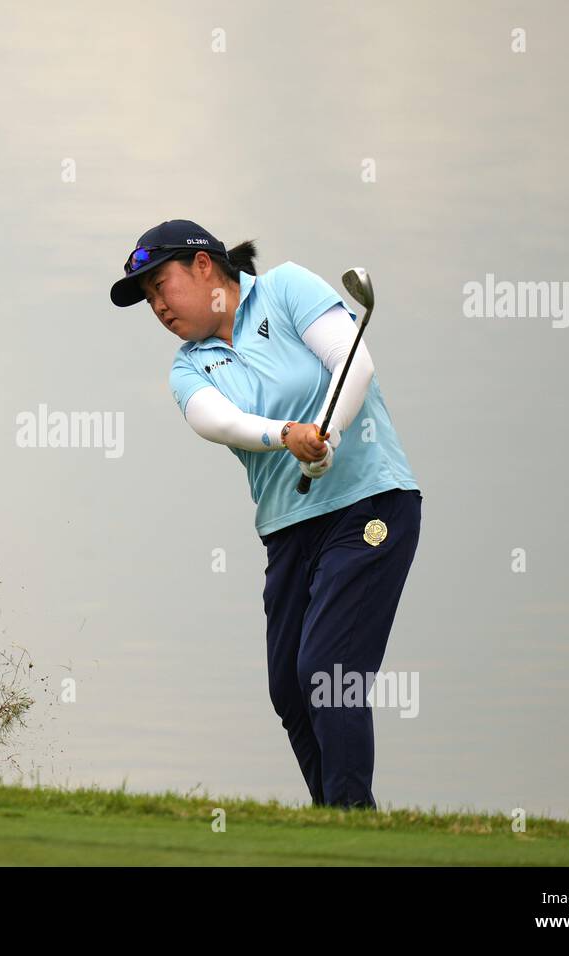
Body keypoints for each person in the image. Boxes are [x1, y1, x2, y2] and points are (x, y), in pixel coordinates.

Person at [109, 219, 423, 810]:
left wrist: (328, 431)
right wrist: (288, 434)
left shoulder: (284, 289)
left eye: (160, 285)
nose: (156, 305)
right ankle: (333, 819)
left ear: (204, 267)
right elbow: (217, 422)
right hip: (288, 528)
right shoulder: (189, 365)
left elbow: (354, 365)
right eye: (147, 298)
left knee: (327, 671)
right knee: (290, 687)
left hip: (370, 506)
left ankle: (352, 819)